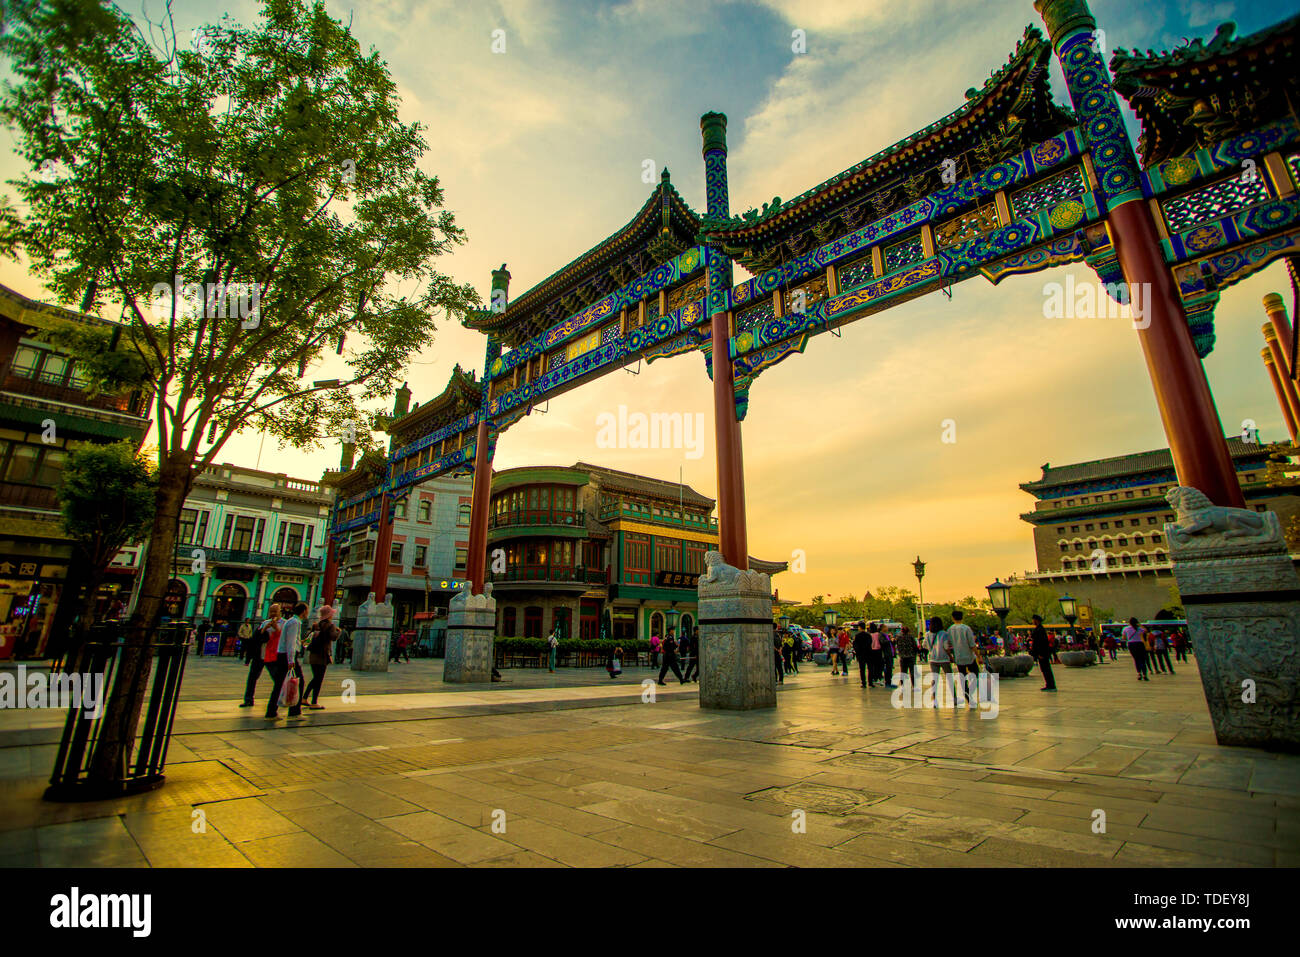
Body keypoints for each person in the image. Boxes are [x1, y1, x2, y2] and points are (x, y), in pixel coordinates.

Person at [265, 602, 307, 720]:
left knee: (279, 684)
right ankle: (294, 712)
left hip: (283, 655)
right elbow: (291, 642)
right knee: (299, 682)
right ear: (303, 611)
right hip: (287, 657)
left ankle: (271, 712)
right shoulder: (295, 622)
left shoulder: (290, 621)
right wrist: (291, 660)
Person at [241, 604, 280, 708]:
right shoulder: (264, 623)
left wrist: (276, 628)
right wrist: (264, 629)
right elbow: (255, 639)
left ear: (279, 612)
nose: (273, 614)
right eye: (271, 611)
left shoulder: (284, 623)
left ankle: (278, 700)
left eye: (275, 611)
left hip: (273, 657)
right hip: (260, 655)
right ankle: (248, 700)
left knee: (278, 679)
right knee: (252, 678)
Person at [303, 605, 339, 709]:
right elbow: (333, 637)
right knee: (318, 679)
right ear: (329, 615)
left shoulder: (317, 625)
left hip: (313, 655)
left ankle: (305, 698)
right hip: (322, 655)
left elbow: (307, 640)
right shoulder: (330, 625)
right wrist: (338, 632)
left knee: (316, 678)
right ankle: (314, 702)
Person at [948, 610, 980, 705]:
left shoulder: (950, 629)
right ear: (962, 617)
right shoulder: (966, 628)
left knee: (963, 677)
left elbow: (948, 644)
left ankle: (967, 694)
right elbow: (972, 644)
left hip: (958, 657)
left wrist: (951, 656)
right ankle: (969, 691)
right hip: (969, 656)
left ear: (953, 618)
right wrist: (978, 656)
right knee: (976, 674)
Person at [927, 616, 955, 707]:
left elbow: (924, 645)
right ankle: (954, 697)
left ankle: (934, 699)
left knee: (935, 679)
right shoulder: (944, 634)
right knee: (949, 678)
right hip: (943, 658)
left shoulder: (928, 634)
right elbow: (946, 647)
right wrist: (951, 657)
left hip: (933, 659)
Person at [1029, 614, 1056, 692]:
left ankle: (1051, 685)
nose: (1032, 621)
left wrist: (1041, 654)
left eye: (1033, 620)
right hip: (1041, 653)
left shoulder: (1040, 630)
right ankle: (1049, 684)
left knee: (1046, 669)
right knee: (1044, 669)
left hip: (1042, 653)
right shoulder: (1039, 629)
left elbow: (1041, 643)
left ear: (1036, 620)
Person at [1122, 617, 1150, 681]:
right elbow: (1146, 630)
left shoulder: (1125, 629)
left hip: (1131, 644)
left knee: (1136, 659)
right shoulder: (1140, 629)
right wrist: (1139, 624)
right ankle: (1145, 674)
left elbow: (1123, 638)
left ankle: (1139, 673)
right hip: (1140, 644)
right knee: (1143, 660)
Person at [852, 623, 871, 688]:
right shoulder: (868, 635)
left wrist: (857, 652)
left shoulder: (857, 636)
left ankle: (863, 683)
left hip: (860, 654)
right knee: (870, 668)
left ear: (860, 627)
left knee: (862, 669)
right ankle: (870, 682)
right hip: (868, 653)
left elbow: (855, 645)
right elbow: (870, 643)